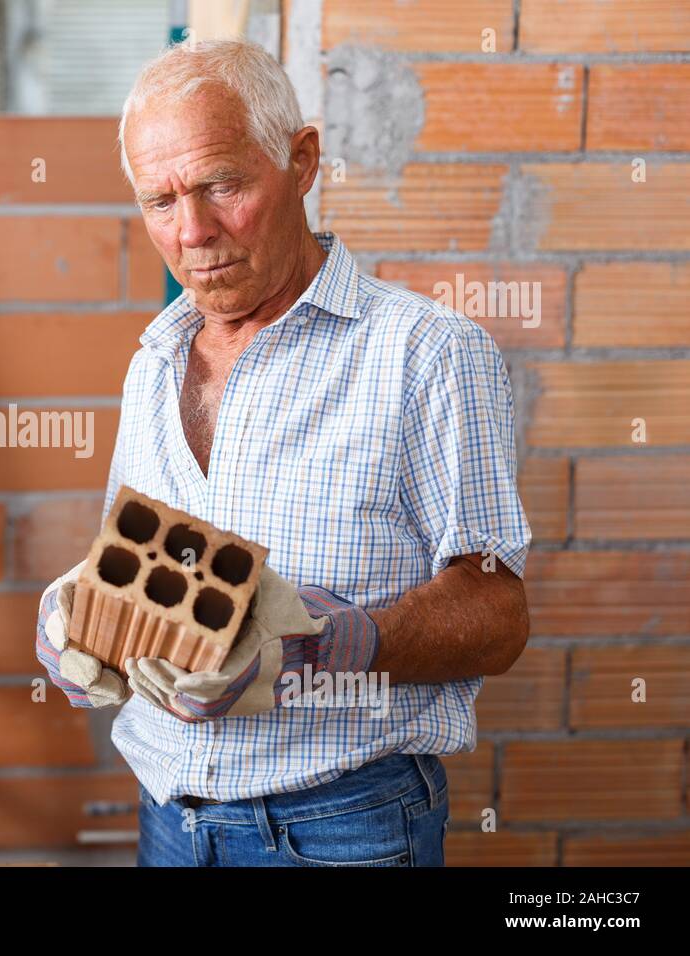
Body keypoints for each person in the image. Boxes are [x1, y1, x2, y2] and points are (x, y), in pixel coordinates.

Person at [35, 39, 531, 867]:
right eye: (159, 200)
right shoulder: (153, 362)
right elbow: (133, 558)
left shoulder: (427, 353)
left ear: (301, 161)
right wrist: (75, 613)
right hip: (168, 817)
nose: (192, 231)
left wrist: (325, 643)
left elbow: (498, 616)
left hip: (344, 828)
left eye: (222, 185)